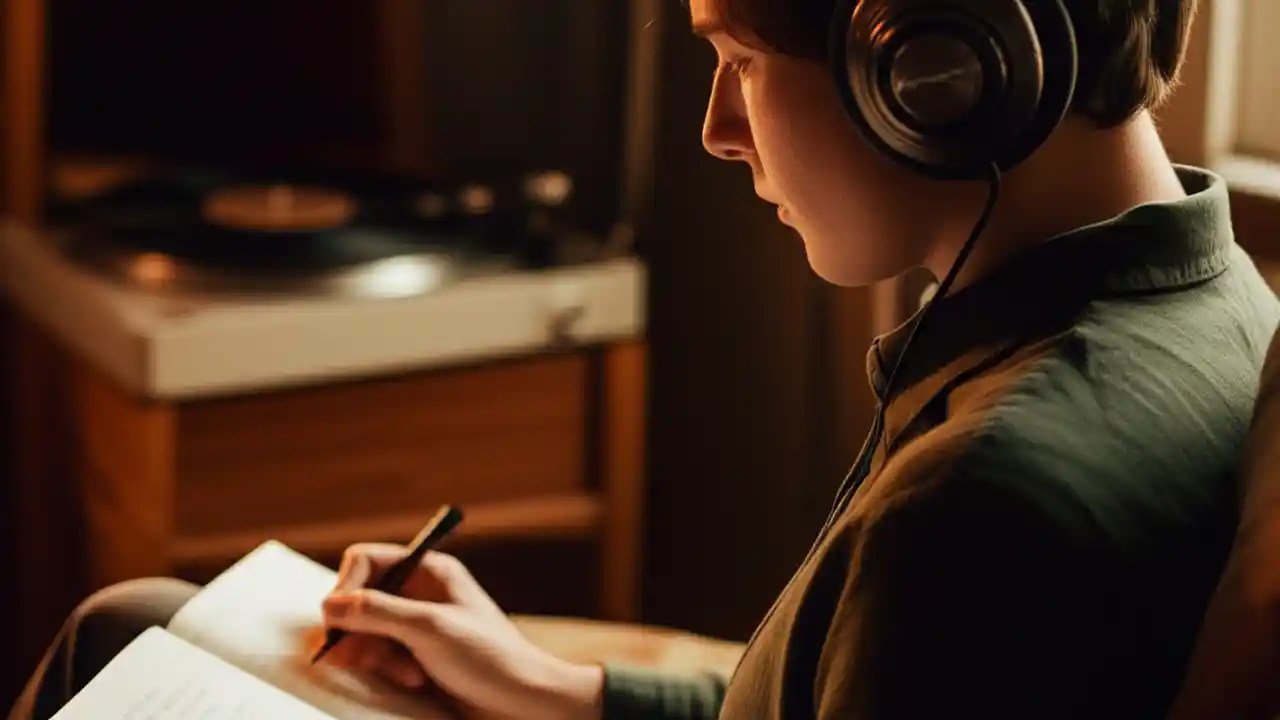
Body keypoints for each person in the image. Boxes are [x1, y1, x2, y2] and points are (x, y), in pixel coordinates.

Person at [13, 0, 1280, 718]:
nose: (716, 131)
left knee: (118, 648)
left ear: (935, 78)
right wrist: (551, 688)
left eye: (735, 60)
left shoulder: (981, 508)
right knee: (137, 624)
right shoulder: (1213, 303)